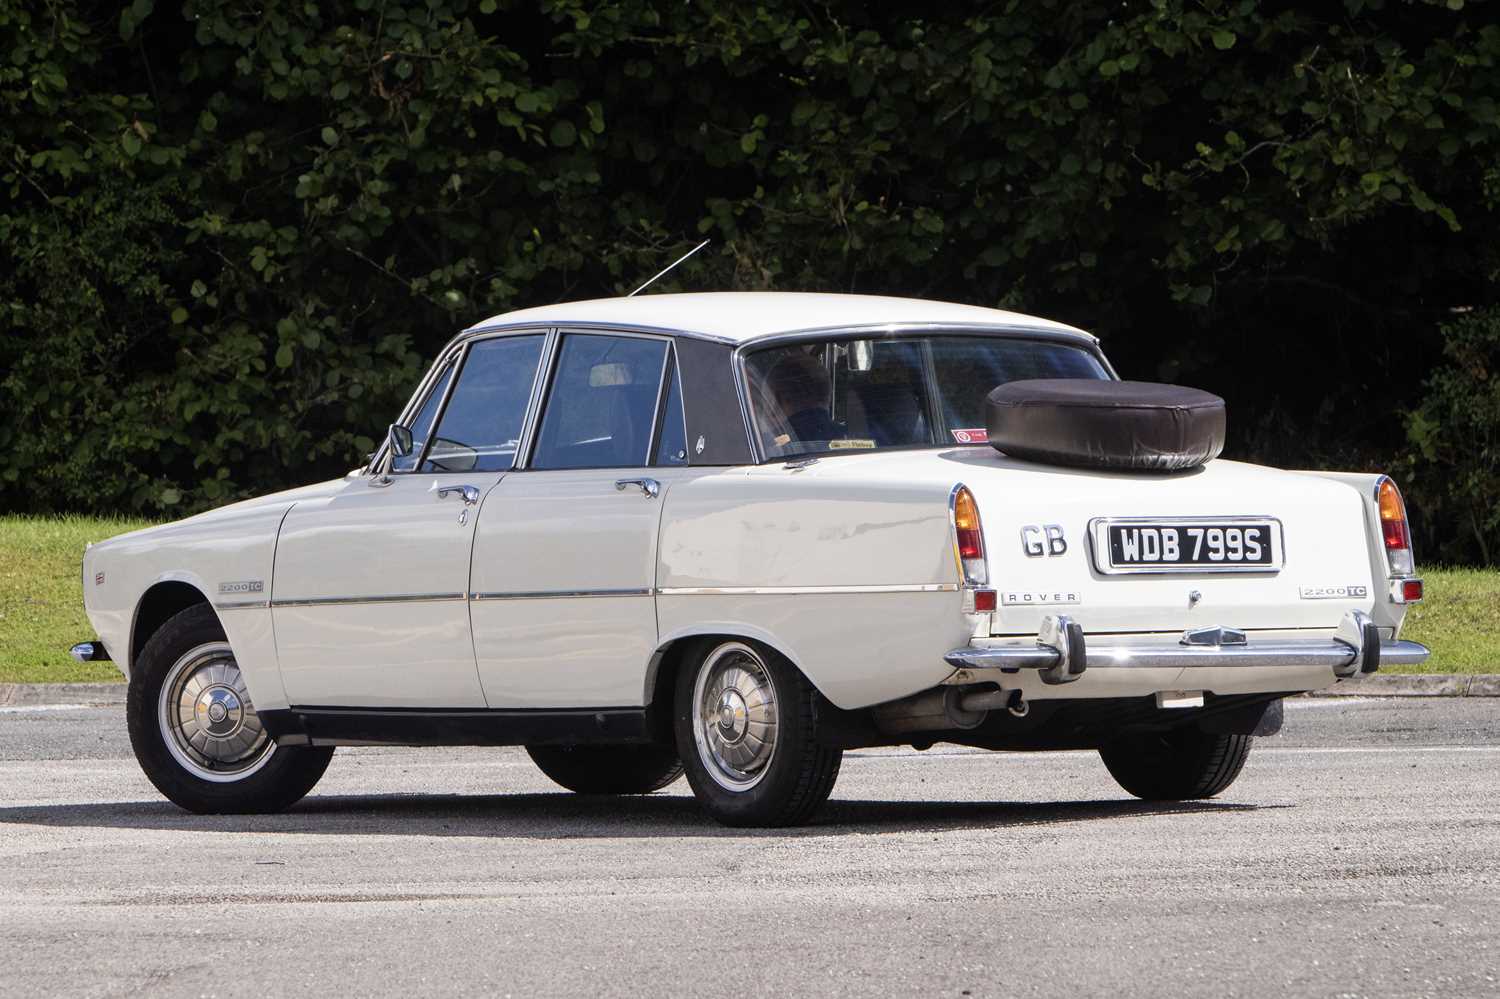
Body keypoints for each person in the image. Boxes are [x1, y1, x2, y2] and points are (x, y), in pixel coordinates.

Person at [765, 350, 842, 445]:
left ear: (782, 398)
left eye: (768, 401)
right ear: (828, 394)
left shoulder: (770, 448)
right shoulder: (857, 440)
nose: (770, 414)